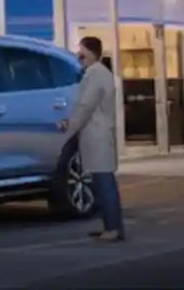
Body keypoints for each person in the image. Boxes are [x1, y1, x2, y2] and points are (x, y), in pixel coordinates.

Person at [59, 36, 124, 243]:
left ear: (91, 52)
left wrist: (69, 128)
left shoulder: (96, 75)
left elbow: (85, 106)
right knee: (102, 183)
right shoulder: (99, 73)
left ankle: (113, 228)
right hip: (98, 136)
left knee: (104, 184)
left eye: (82, 52)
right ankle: (111, 226)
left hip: (97, 137)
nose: (79, 56)